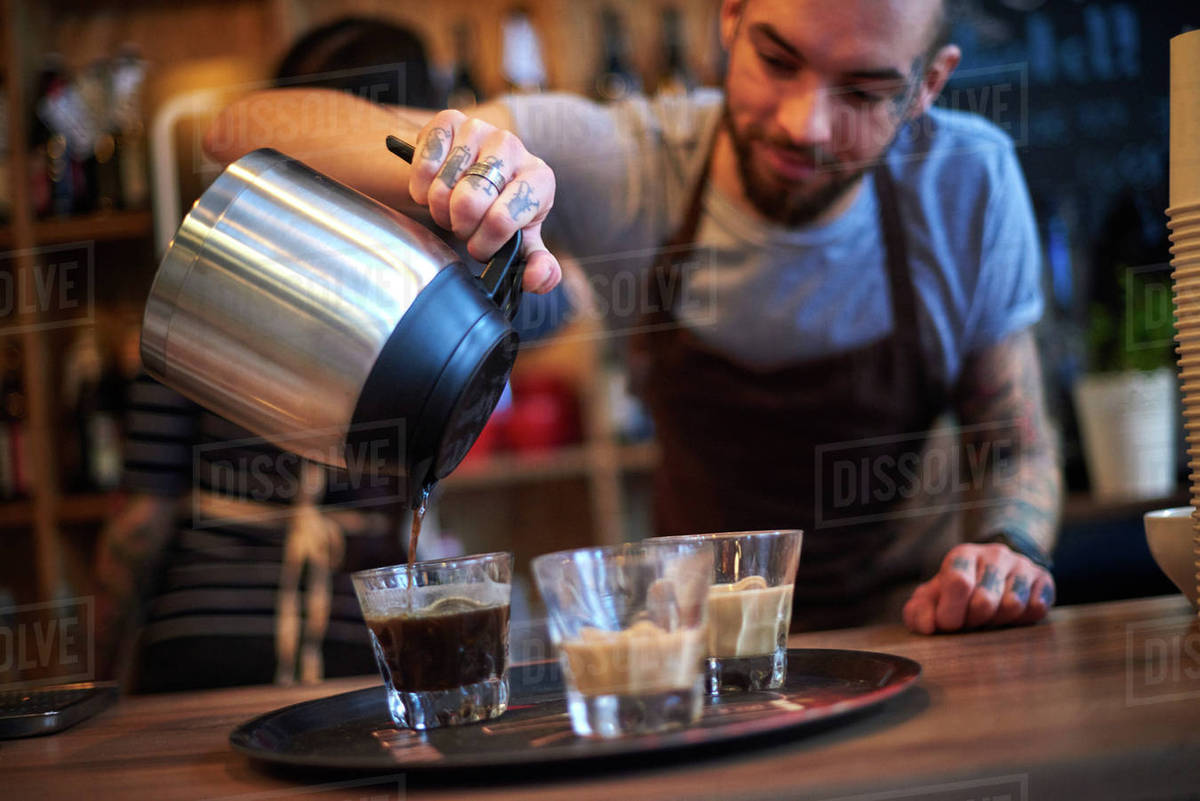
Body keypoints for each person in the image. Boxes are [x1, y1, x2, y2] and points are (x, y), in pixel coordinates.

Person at [204, 0, 1062, 633]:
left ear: (929, 85)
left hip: (916, 627)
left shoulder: (967, 184)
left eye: (866, 92)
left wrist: (1003, 550)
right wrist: (464, 159)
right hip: (694, 653)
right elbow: (241, 128)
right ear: (730, 19)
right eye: (777, 60)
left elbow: (1011, 434)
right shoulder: (627, 163)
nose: (808, 124)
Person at [95, 18, 451, 690]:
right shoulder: (437, 289)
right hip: (371, 640)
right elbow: (562, 296)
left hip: (197, 641)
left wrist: (101, 664)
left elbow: (141, 520)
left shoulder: (204, 269)